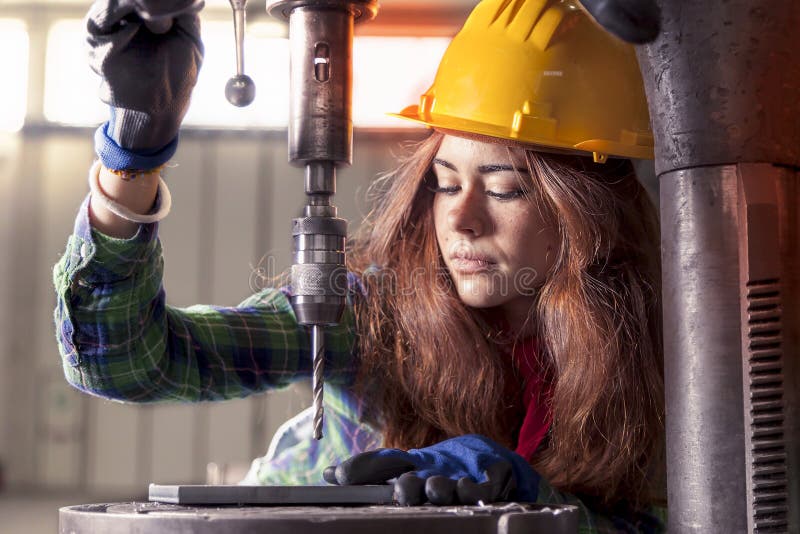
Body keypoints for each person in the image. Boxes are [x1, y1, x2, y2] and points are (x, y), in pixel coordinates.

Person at [53, 0, 665, 530]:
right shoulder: (371, 315)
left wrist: (537, 505)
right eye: (444, 184)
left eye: (505, 189)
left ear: (591, 209)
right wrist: (130, 156)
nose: (460, 219)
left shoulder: (659, 355)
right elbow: (128, 362)